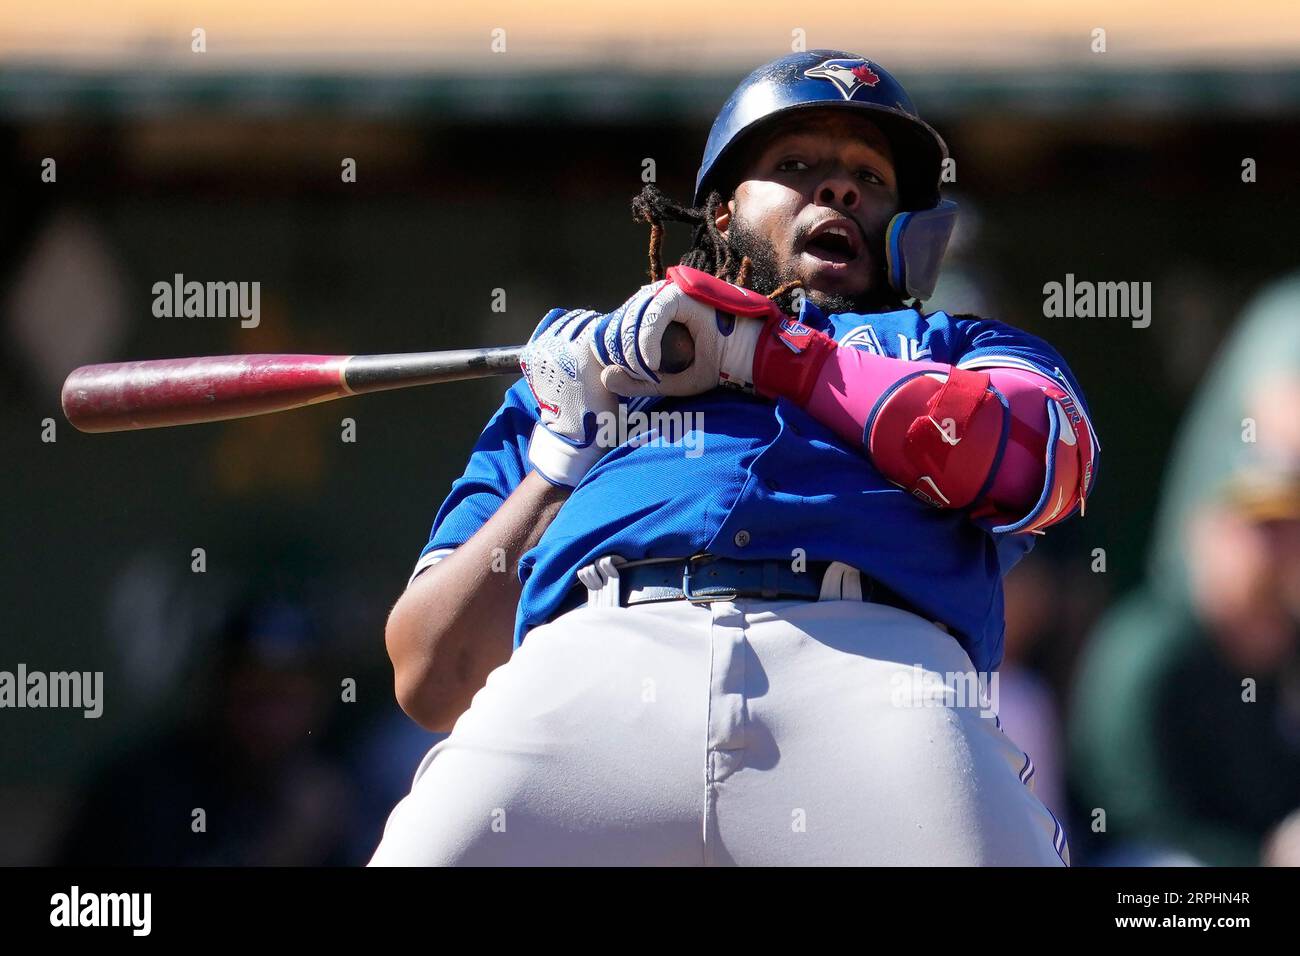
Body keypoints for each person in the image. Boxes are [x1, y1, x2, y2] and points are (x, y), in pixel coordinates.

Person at [371, 50, 1097, 866]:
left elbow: (1039, 457)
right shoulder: (586, 373)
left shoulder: (950, 346)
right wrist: (560, 457)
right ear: (721, 215)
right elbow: (432, 675)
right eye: (794, 164)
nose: (840, 187)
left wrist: (768, 356)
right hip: (596, 667)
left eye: (871, 175)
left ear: (905, 227)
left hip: (877, 679)